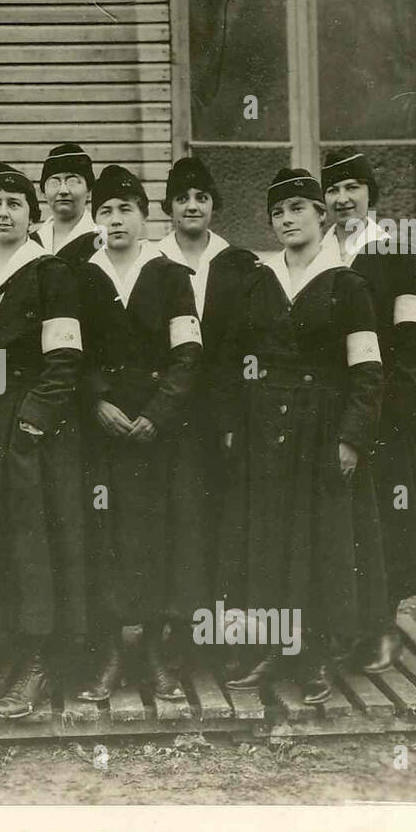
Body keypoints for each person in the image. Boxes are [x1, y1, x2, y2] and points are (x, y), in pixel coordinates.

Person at [217, 169, 388, 704]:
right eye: (278, 212)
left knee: (318, 542)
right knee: (267, 539)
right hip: (264, 428)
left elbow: (367, 369)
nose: (287, 220)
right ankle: (271, 648)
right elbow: (235, 359)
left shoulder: (348, 285)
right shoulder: (258, 282)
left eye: (297, 209)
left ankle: (314, 657)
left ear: (321, 214)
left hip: (322, 428)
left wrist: (351, 437)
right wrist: (234, 424)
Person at [0, 162, 87, 719]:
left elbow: (65, 358)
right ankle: (11, 654)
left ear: (32, 215)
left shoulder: (50, 272)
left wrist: (33, 421)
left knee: (35, 543)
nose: (3, 212)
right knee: (2, 542)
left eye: (14, 203)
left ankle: (39, 663)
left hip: (36, 426)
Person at [321, 149, 416, 671]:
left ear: (370, 194)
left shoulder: (395, 252)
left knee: (387, 514)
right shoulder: (319, 253)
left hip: (389, 408)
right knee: (344, 518)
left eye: (352, 188)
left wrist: (385, 407)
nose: (343, 199)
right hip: (334, 406)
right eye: (333, 190)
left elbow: (412, 339)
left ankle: (383, 627)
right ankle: (346, 624)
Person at [77, 166, 206, 702]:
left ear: (145, 216)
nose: (115, 220)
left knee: (159, 536)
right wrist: (96, 402)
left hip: (158, 433)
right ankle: (110, 653)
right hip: (102, 430)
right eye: (105, 211)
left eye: (125, 210)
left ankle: (154, 652)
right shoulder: (81, 276)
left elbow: (188, 354)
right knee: (103, 536)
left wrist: (159, 413)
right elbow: (69, 352)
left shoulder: (170, 275)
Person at [156, 157, 259, 647]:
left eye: (201, 197)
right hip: (164, 408)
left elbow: (248, 344)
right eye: (182, 198)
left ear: (214, 204)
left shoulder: (239, 264)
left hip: (219, 411)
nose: (192, 206)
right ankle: (176, 627)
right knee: (176, 516)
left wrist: (233, 414)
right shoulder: (152, 261)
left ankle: (220, 629)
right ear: (168, 207)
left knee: (221, 514)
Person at [35, 142, 102, 262]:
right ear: (43, 192)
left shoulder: (101, 238)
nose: (63, 191)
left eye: (72, 181)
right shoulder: (33, 241)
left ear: (89, 191)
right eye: (54, 182)